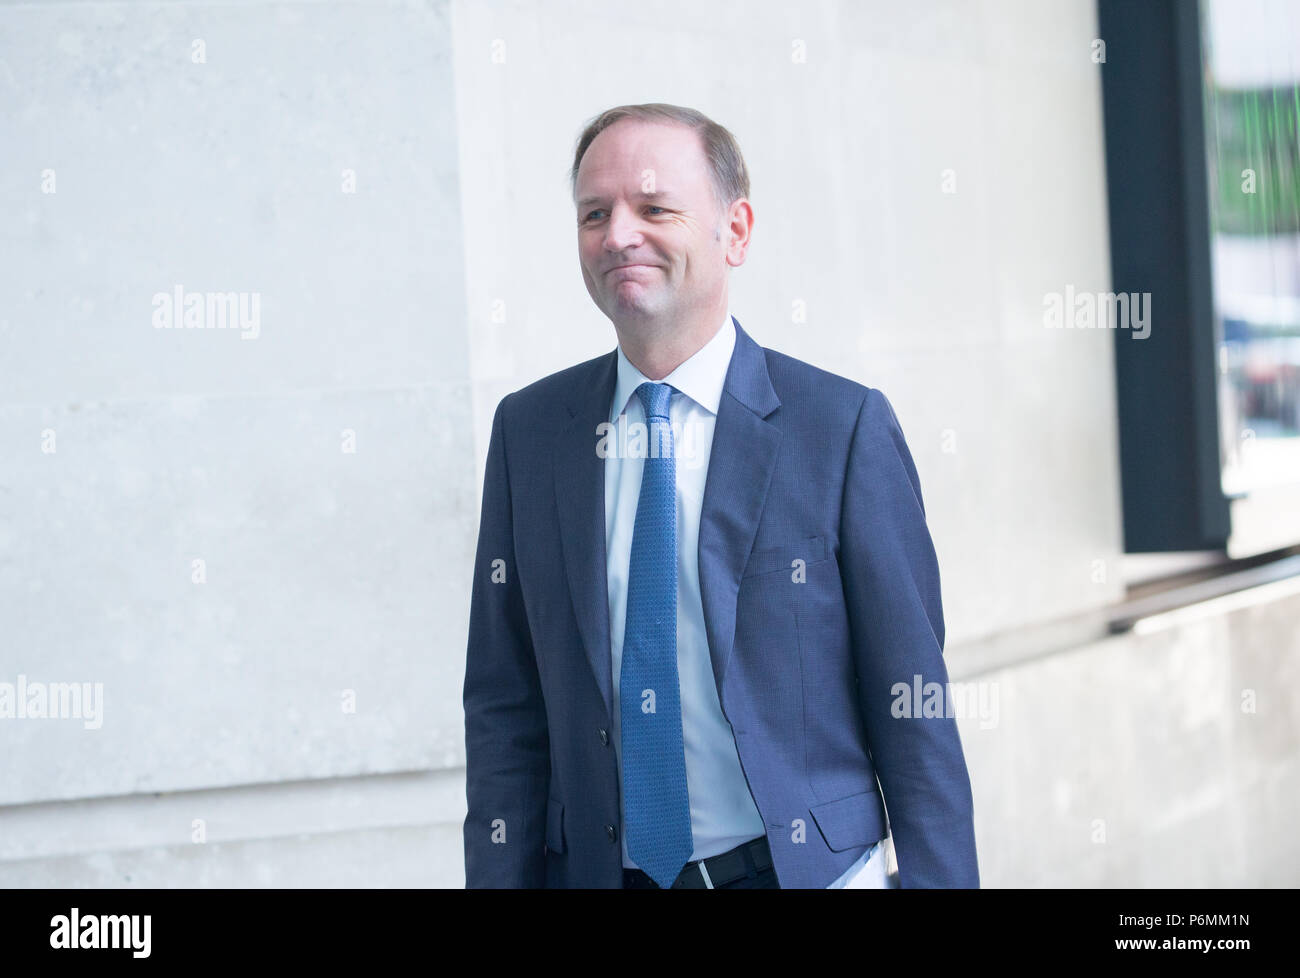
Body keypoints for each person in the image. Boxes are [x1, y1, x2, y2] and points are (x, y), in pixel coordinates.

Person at [462, 103, 979, 889]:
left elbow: (913, 705)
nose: (618, 234)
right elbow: (505, 708)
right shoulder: (530, 434)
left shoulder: (839, 429)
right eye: (594, 214)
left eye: (654, 208)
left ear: (734, 231)